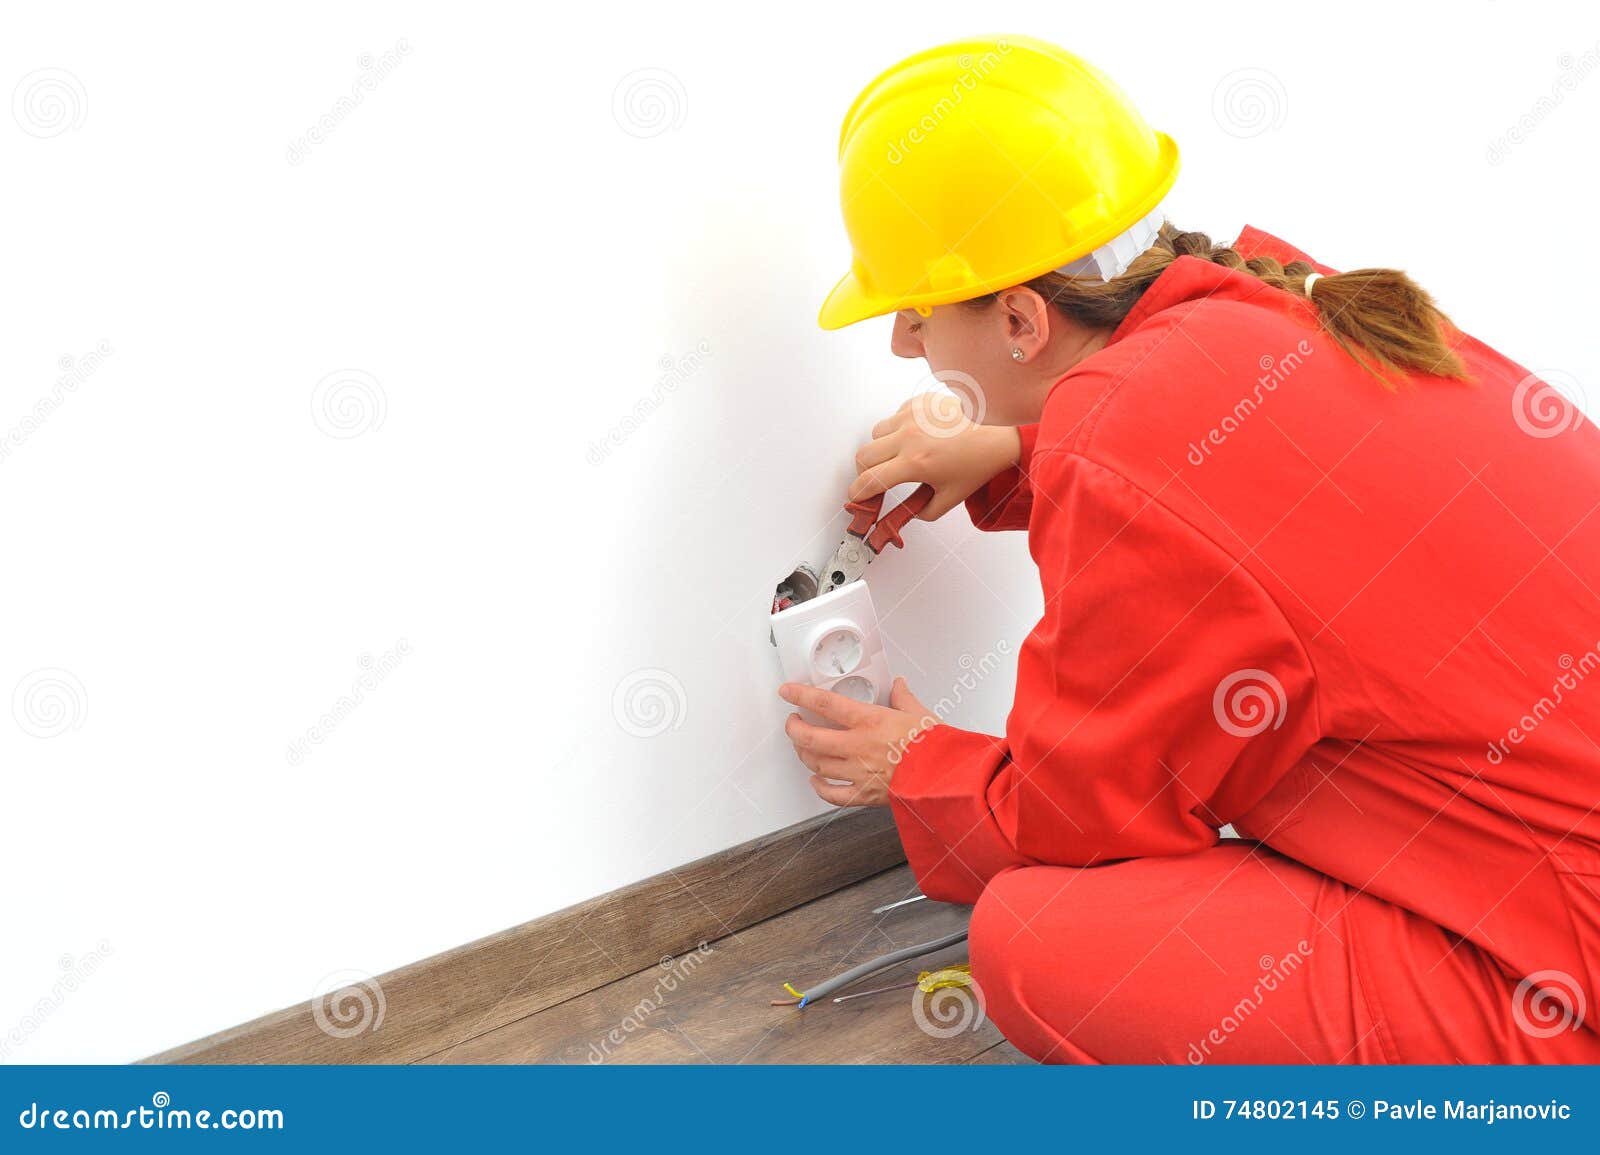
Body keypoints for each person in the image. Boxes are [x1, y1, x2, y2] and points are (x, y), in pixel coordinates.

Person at [777, 34, 1600, 1064]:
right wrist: (1024, 453)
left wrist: (916, 765)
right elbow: (1265, 496)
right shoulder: (1286, 300)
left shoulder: (1131, 436)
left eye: (914, 313)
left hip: (1566, 986)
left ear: (1023, 319)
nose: (904, 344)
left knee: (1036, 945)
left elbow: (1080, 819)